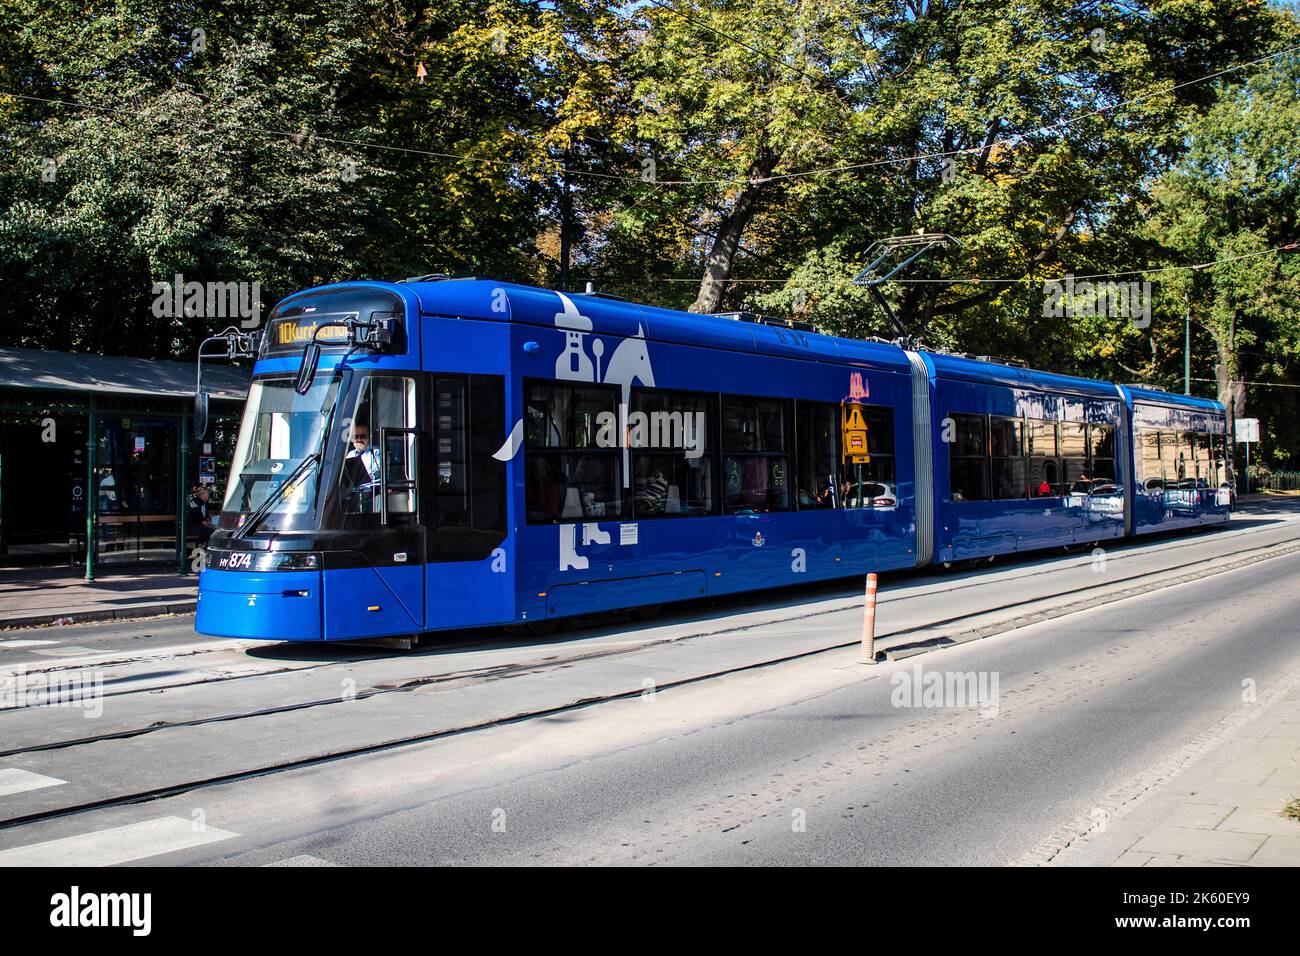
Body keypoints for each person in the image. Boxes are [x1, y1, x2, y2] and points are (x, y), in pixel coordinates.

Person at [344, 421, 382, 512]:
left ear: (369, 436)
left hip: (372, 495)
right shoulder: (349, 455)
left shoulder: (376, 452)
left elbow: (375, 474)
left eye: (363, 436)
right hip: (353, 495)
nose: (359, 439)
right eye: (356, 437)